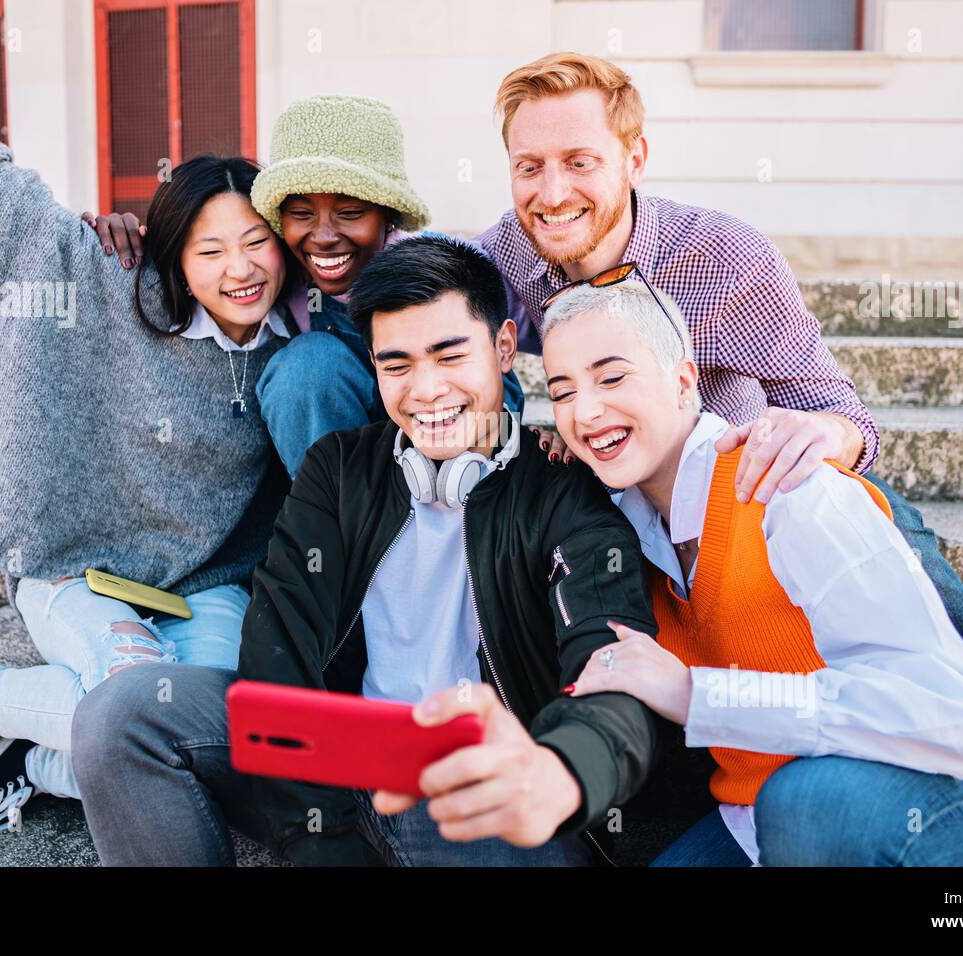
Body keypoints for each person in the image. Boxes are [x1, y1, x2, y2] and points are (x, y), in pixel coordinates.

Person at [0, 5, 295, 852]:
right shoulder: (89, 276)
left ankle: (33, 766)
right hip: (76, 566)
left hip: (207, 579)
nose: (240, 268)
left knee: (210, 722)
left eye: (256, 242)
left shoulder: (295, 341)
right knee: (136, 698)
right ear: (171, 252)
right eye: (211, 249)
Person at [70, 235, 666, 866]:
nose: (426, 390)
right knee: (123, 713)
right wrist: (321, 836)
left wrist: (560, 771)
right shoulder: (340, 470)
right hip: (347, 774)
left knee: (471, 785)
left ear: (503, 348)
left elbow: (614, 678)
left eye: (448, 355)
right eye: (397, 364)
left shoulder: (566, 494)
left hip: (494, 790)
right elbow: (278, 652)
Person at [474, 51, 963, 693]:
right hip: (624, 506)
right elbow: (426, 305)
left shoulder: (726, 261)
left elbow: (842, 412)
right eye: (529, 168)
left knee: (887, 530)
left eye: (580, 162)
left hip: (753, 499)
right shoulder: (509, 249)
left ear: (634, 159)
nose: (553, 192)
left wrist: (826, 437)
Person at [538, 276, 963, 866]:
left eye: (612, 376)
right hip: (763, 818)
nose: (586, 410)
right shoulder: (614, 528)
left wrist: (694, 693)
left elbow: (956, 716)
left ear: (682, 381)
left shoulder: (791, 487)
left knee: (807, 802)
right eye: (563, 391)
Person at [87, 94, 526, 476]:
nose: (324, 236)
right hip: (349, 480)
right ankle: (339, 533)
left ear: (387, 215)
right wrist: (118, 236)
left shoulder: (440, 273)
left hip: (455, 446)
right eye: (301, 214)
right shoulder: (279, 271)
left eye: (350, 212)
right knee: (307, 369)